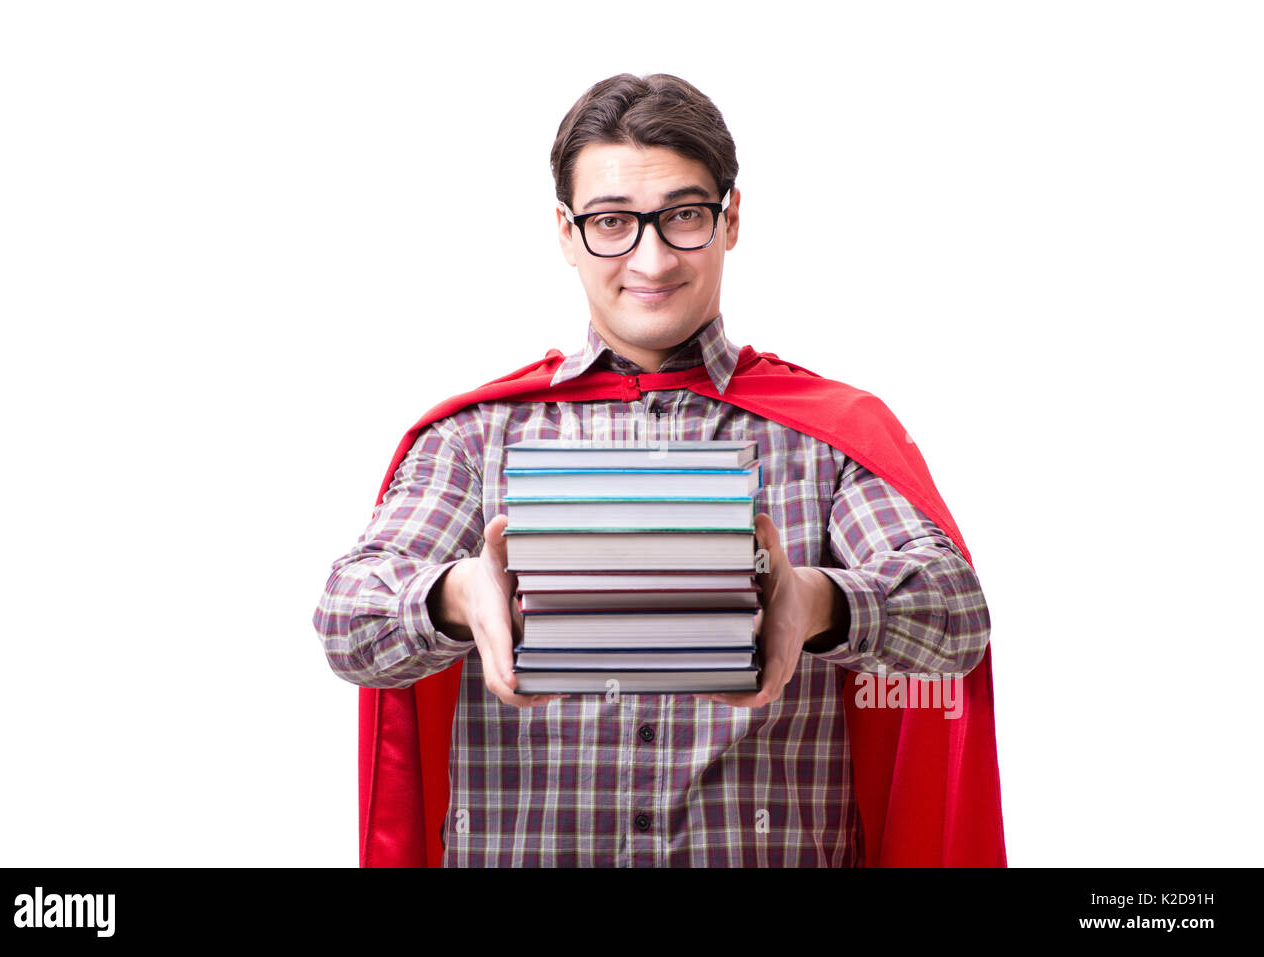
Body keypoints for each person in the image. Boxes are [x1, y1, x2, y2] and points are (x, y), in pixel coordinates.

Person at [313, 73, 1002, 867]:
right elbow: (344, 618)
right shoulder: (474, 440)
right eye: (612, 221)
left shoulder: (832, 437)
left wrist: (818, 601)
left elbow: (959, 617)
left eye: (682, 216)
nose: (650, 256)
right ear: (567, 233)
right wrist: (453, 595)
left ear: (730, 218)